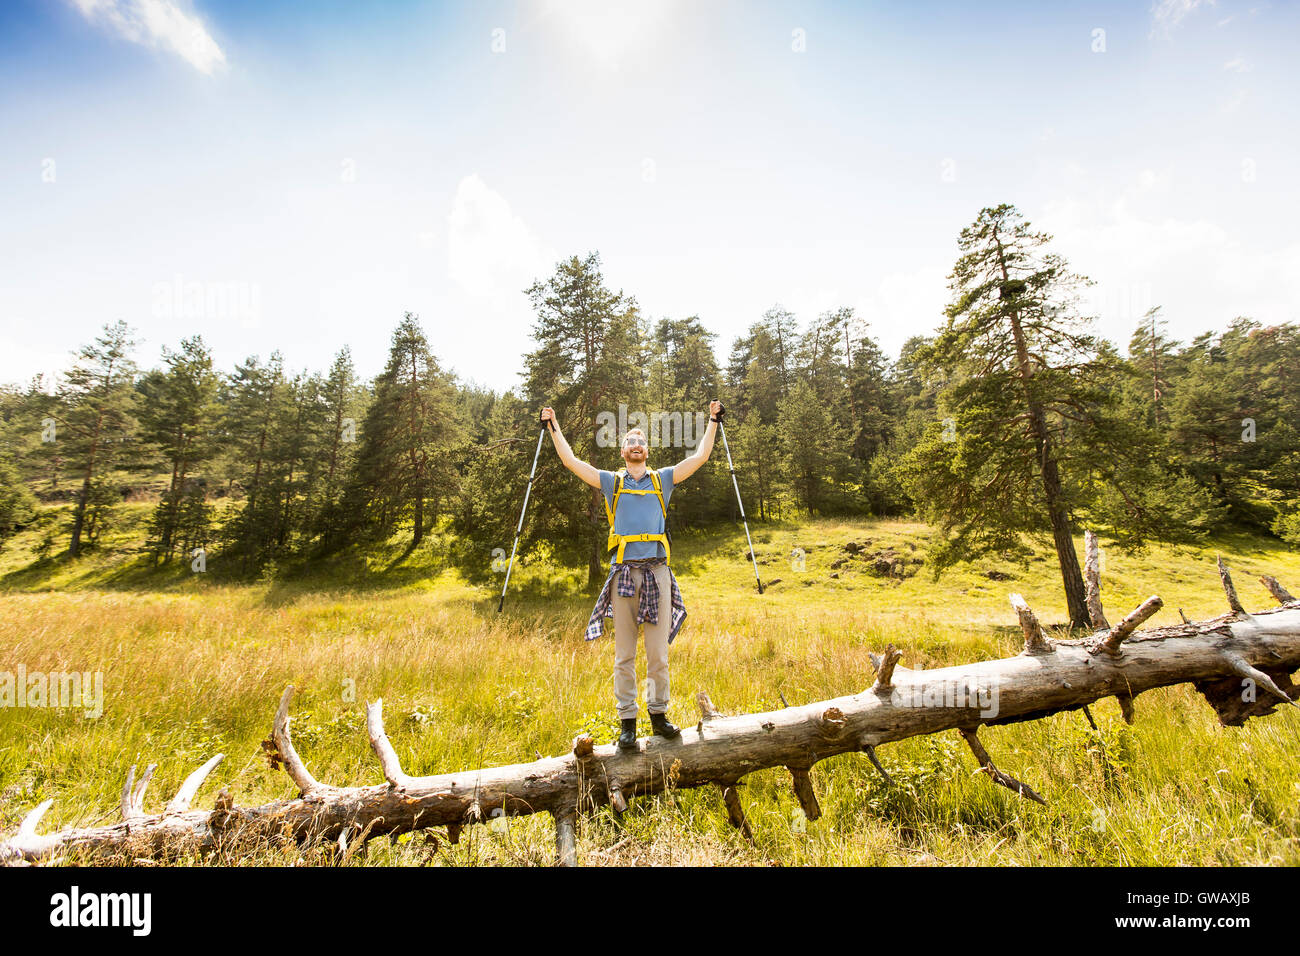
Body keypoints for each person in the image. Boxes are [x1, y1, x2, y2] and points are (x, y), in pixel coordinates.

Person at [541, 401, 723, 751]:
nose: (635, 444)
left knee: (658, 655)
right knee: (624, 655)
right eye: (629, 441)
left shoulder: (662, 479)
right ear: (623, 452)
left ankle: (658, 716)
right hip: (623, 575)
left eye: (640, 441)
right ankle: (627, 722)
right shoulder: (611, 482)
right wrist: (553, 426)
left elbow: (700, 457)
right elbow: (571, 462)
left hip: (658, 574)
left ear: (647, 451)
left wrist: (713, 420)